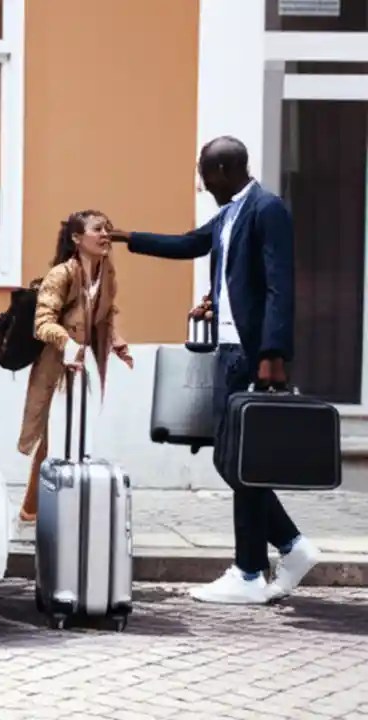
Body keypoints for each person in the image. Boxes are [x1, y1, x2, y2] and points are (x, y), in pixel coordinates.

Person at [110, 135, 320, 605]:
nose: (204, 187)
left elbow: (278, 287)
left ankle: (252, 569)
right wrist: (128, 238)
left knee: (238, 460)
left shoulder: (268, 210)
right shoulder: (229, 213)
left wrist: (272, 354)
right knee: (234, 460)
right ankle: (288, 548)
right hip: (228, 350)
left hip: (249, 354)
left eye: (206, 178)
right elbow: (192, 244)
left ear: (224, 171)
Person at [17, 210, 133, 523]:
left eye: (107, 229)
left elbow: (105, 314)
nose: (105, 235)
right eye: (98, 230)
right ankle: (37, 508)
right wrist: (69, 345)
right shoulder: (61, 274)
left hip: (88, 364)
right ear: (77, 239)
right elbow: (42, 324)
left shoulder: (106, 274)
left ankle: (51, 506)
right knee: (55, 437)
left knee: (80, 434)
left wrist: (117, 342)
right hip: (58, 367)